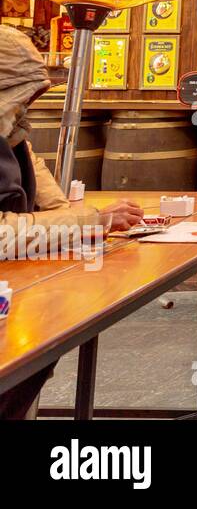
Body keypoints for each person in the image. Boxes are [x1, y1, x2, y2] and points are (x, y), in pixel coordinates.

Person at [0, 27, 143, 420]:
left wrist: (78, 220)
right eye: (22, 99)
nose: (27, 109)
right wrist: (90, 221)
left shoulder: (12, 136)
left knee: (35, 360)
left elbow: (44, 186)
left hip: (17, 287)